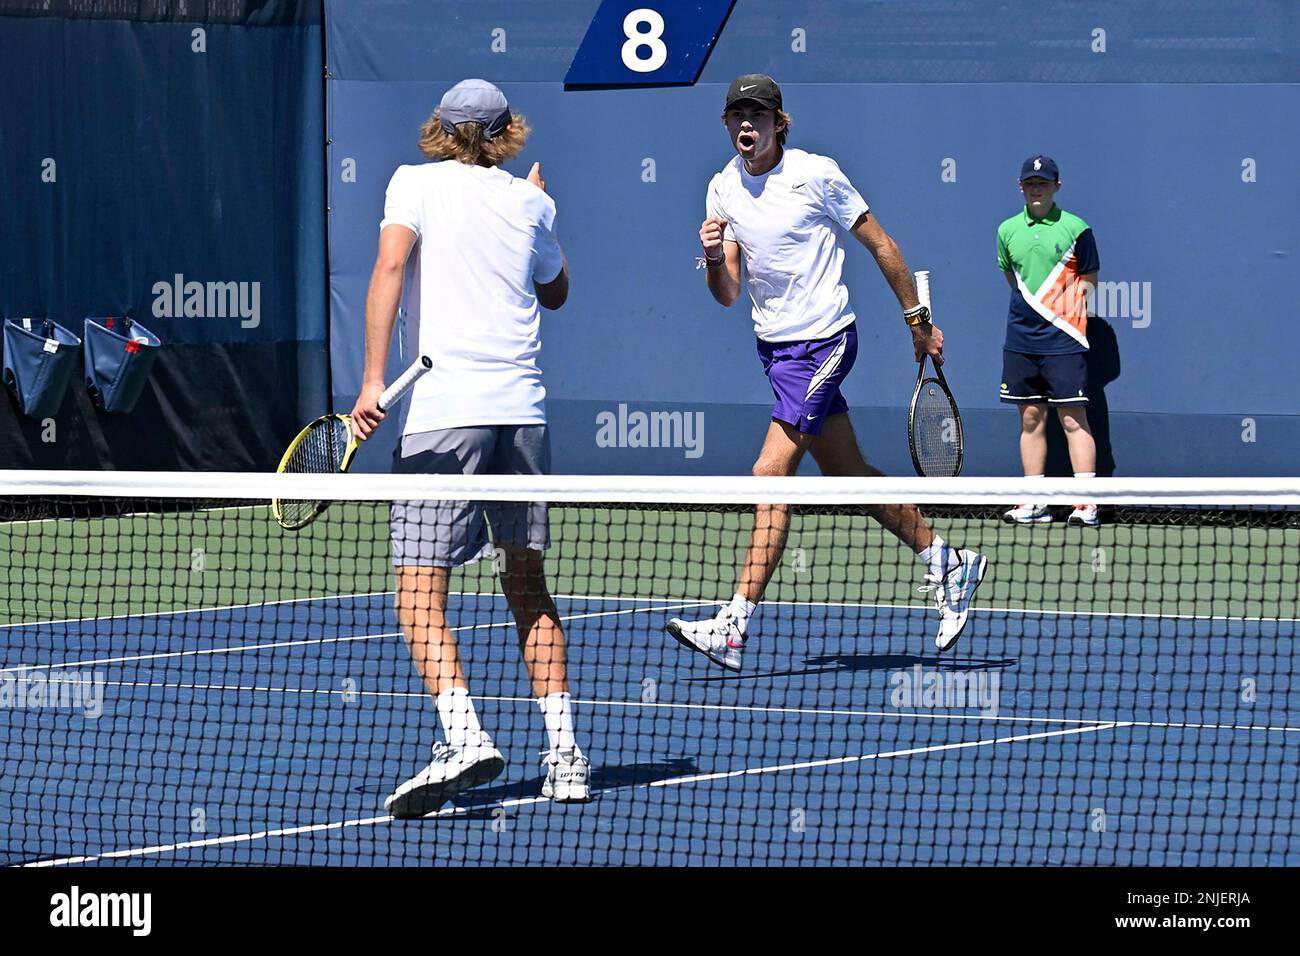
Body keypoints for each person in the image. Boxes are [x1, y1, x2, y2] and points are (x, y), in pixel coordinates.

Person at [665, 74, 988, 671]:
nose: (746, 125)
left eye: (758, 115)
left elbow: (881, 244)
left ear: (778, 123)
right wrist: (713, 257)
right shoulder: (721, 190)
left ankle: (733, 628)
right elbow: (727, 293)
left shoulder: (816, 173)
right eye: (737, 114)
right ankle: (948, 559)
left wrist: (917, 319)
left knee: (770, 474)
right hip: (776, 352)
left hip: (826, 342)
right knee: (847, 474)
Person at [350, 79, 589, 817]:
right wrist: (536, 208)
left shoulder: (411, 182)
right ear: (504, 131)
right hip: (522, 415)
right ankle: (568, 757)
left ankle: (463, 735)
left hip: (445, 413)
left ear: (442, 129)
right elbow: (557, 293)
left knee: (419, 592)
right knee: (526, 583)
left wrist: (370, 381)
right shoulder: (532, 200)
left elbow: (390, 268)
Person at [996, 156, 1101, 526]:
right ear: (1020, 187)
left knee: (1073, 419)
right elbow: (1013, 277)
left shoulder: (1077, 228)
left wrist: (1066, 316)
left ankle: (1086, 503)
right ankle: (1034, 501)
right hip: (1021, 341)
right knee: (1030, 419)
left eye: (1043, 182)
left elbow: (1089, 278)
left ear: (1058, 187)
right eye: (1030, 183)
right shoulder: (1007, 230)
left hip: (1065, 340)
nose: (1036, 188)